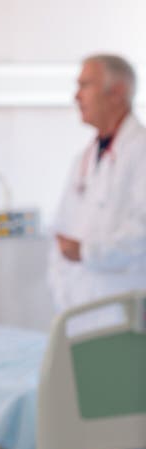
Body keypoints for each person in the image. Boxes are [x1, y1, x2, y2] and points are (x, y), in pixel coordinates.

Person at [49, 54, 146, 324]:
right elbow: (60, 237)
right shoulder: (83, 160)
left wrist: (87, 252)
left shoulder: (141, 153)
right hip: (79, 312)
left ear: (117, 92)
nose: (76, 97)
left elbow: (141, 235)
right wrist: (62, 294)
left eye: (85, 85)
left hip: (125, 313)